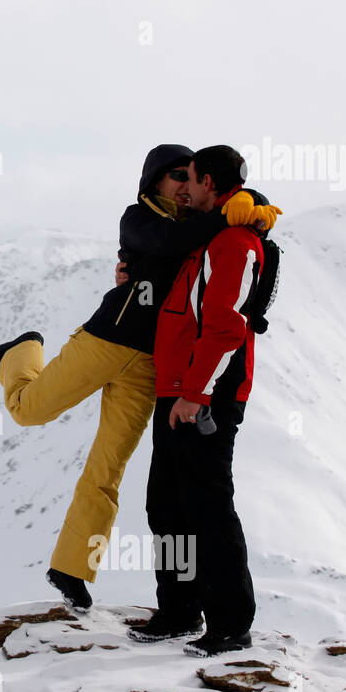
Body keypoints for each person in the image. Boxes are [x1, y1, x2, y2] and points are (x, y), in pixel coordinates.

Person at [0, 144, 280, 611]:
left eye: (191, 176)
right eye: (175, 175)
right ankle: (21, 354)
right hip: (107, 339)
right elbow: (168, 244)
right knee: (27, 410)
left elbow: (234, 213)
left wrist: (251, 208)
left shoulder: (207, 222)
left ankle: (72, 568)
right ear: (154, 181)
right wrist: (233, 215)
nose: (185, 185)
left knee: (110, 465)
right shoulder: (139, 218)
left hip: (151, 365)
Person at [127, 144, 278, 657]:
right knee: (167, 506)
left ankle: (231, 624)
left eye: (189, 178)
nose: (183, 189)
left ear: (210, 181)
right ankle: (179, 611)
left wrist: (196, 394)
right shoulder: (211, 234)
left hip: (205, 396)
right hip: (176, 393)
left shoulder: (234, 241)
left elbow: (225, 328)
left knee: (207, 508)